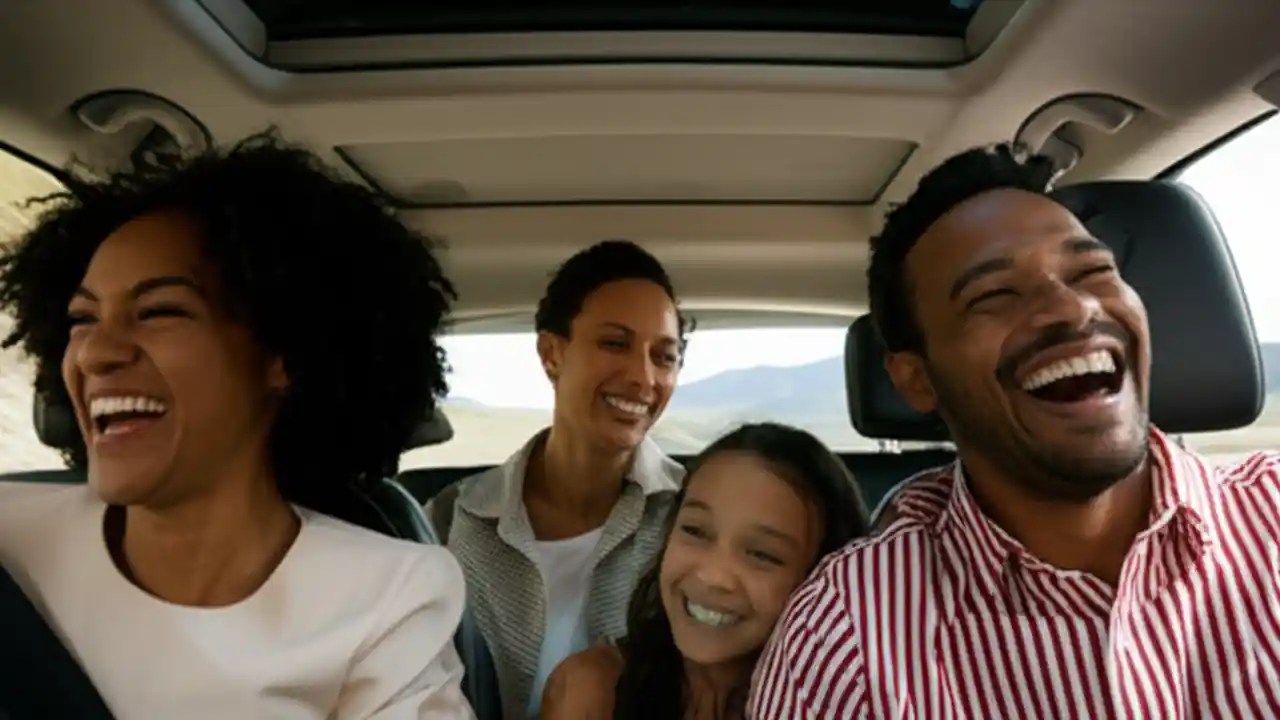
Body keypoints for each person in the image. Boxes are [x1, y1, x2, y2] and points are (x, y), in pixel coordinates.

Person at [748, 143, 1280, 719]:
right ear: (917, 380)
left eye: (1093, 271)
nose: (1073, 310)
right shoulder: (845, 641)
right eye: (994, 296)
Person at [0, 132, 474, 719]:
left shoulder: (388, 597)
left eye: (159, 312)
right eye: (80, 318)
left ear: (284, 356)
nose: (95, 353)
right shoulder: (10, 537)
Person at [431, 240, 689, 719]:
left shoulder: (691, 521)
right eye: (615, 343)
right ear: (552, 353)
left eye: (665, 356)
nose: (643, 376)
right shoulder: (449, 521)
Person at [541, 422, 868, 720]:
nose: (713, 576)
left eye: (761, 554)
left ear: (824, 581)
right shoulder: (593, 693)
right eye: (696, 531)